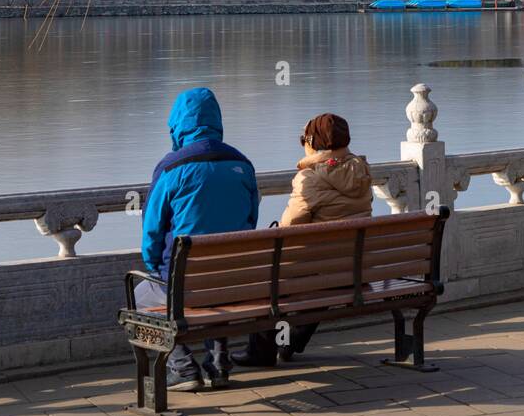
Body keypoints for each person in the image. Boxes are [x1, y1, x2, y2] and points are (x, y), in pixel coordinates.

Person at [136, 86, 259, 391]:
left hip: (182, 283)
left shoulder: (171, 167)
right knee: (216, 287)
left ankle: (182, 367)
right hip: (233, 280)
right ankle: (218, 364)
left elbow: (151, 229)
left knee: (138, 298)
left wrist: (154, 267)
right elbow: (250, 220)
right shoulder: (242, 164)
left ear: (177, 124)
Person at [232, 112, 372, 368]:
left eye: (303, 139)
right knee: (321, 274)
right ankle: (291, 342)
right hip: (354, 267)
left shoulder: (310, 178)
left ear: (312, 142)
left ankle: (261, 351)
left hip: (319, 269)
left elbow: (288, 227)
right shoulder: (361, 170)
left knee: (270, 273)